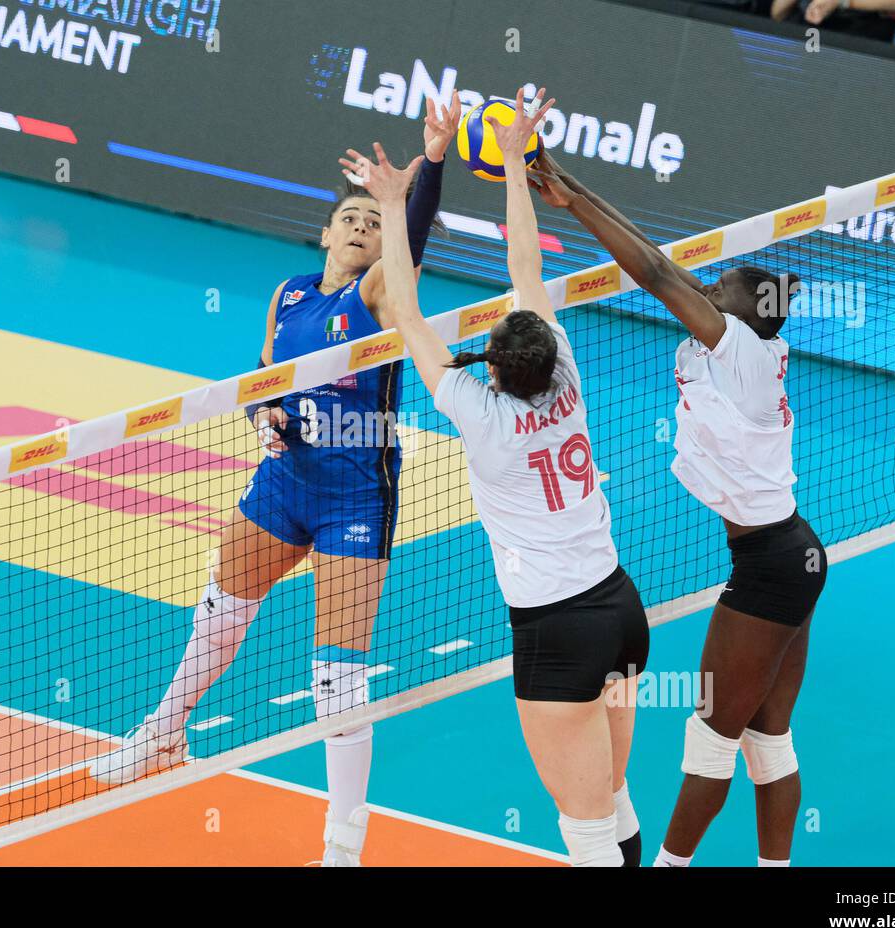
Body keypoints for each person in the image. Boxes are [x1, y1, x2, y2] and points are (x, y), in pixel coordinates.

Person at [90, 90, 461, 866]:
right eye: (351, 219)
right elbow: (266, 377)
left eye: (373, 221)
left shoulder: (379, 294)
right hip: (285, 481)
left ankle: (343, 844)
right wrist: (264, 419)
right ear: (326, 233)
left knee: (337, 677)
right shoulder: (290, 293)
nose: (362, 228)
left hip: (357, 495)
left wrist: (428, 165)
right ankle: (160, 733)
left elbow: (411, 244)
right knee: (221, 612)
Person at [341, 88, 648, 867]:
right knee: (611, 798)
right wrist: (515, 162)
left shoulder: (482, 416)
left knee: (583, 827)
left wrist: (393, 200)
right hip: (619, 607)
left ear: (496, 370)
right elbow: (526, 266)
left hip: (557, 630)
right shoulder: (565, 368)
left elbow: (404, 309)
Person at [527, 148, 826, 867]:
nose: (706, 290)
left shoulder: (744, 356)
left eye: (719, 288)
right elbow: (668, 268)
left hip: (772, 568)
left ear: (750, 312)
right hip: (793, 555)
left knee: (711, 736)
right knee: (767, 739)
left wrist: (570, 204)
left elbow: (658, 274)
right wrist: (572, 188)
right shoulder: (739, 339)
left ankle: (667, 866)